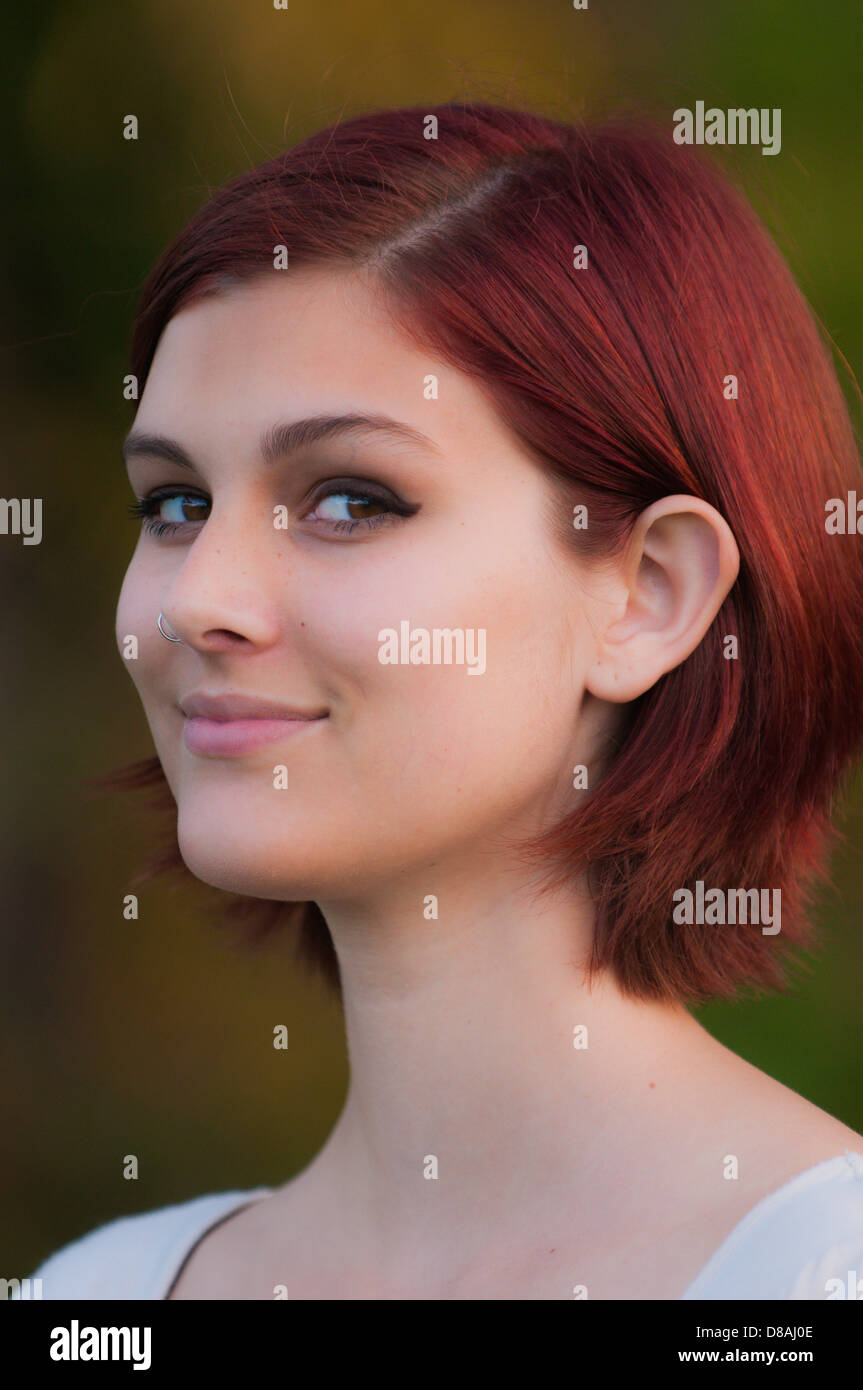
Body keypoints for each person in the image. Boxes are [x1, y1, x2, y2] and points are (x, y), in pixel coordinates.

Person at [21, 101, 863, 1300]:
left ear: (647, 595)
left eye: (351, 499)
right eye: (173, 503)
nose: (194, 598)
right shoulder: (95, 1301)